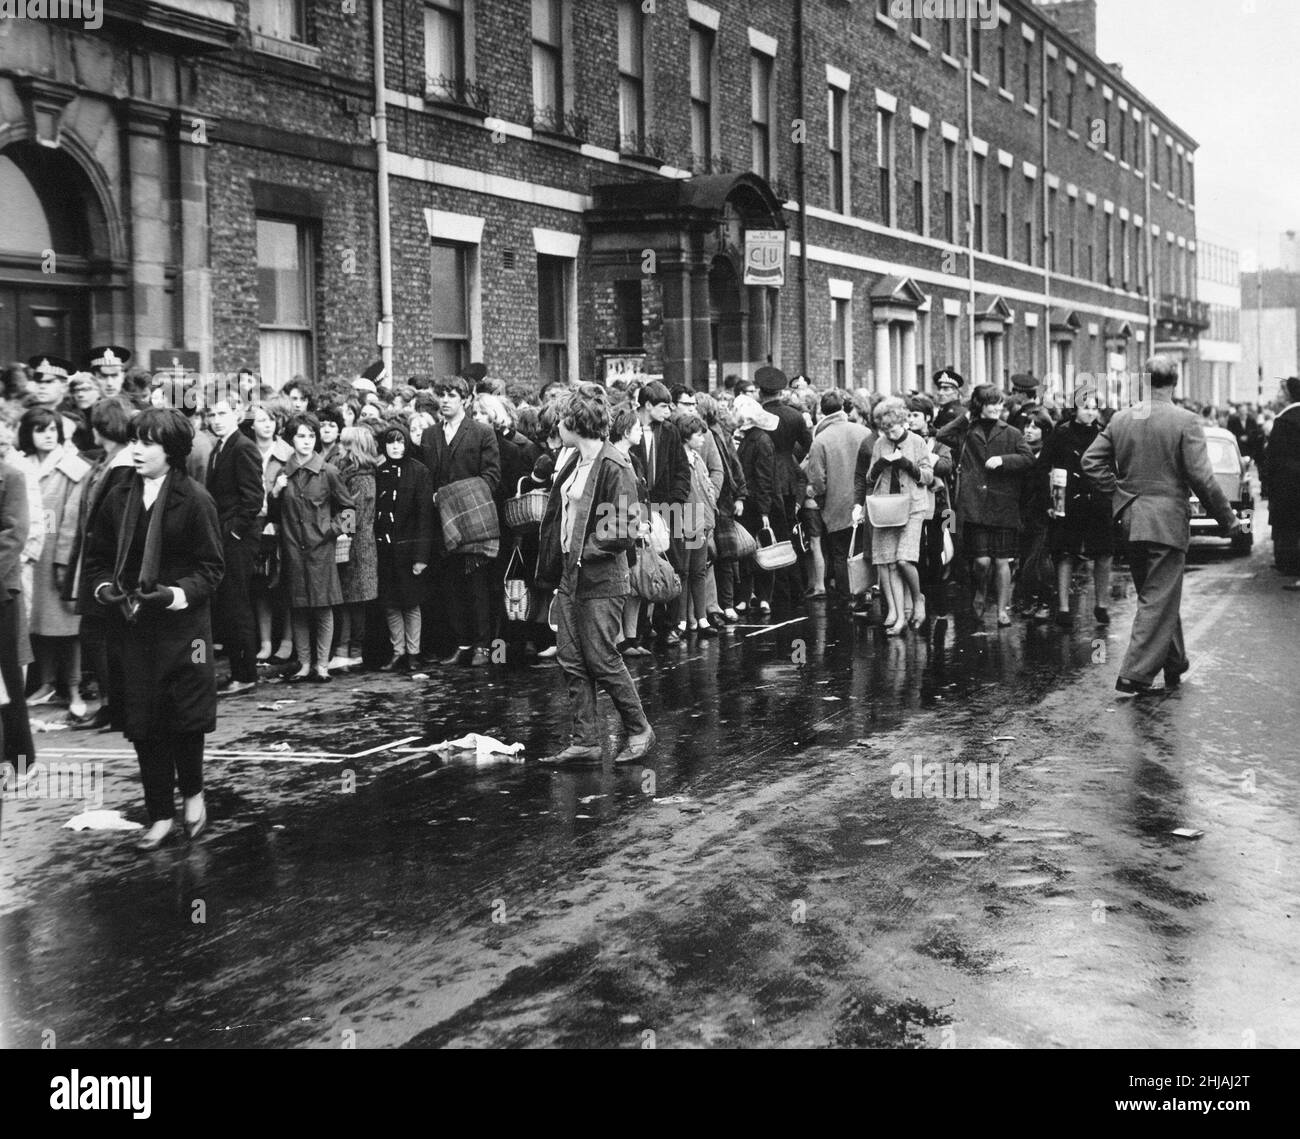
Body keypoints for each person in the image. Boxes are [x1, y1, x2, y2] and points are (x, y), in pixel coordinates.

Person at [83, 408, 224, 851]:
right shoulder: (118, 495)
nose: (137, 450)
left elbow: (211, 569)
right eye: (134, 441)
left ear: (173, 452)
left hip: (184, 632)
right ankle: (160, 814)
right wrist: (104, 586)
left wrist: (174, 593)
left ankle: (195, 796)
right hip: (132, 628)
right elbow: (98, 557)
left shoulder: (195, 499)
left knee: (184, 719)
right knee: (144, 724)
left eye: (148, 443)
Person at [1082, 355, 1241, 694]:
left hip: (1131, 520)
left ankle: (1175, 660)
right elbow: (1202, 478)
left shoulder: (1122, 418)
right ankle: (1135, 674)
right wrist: (1228, 521)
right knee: (1157, 597)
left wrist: (1119, 495)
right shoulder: (1186, 421)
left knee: (1156, 594)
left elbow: (1090, 461)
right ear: (1175, 381)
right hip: (1167, 522)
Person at [535, 385, 653, 766]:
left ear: (574, 422)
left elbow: (626, 526)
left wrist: (586, 551)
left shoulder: (615, 465)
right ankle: (585, 740)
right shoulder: (572, 460)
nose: (556, 426)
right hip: (571, 575)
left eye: (560, 420)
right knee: (570, 659)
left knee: (602, 658)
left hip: (601, 578)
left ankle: (639, 729)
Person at [65, 397, 136, 731]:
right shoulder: (109, 461)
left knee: (100, 635)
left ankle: (115, 706)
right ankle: (112, 704)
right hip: (96, 562)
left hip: (107, 565)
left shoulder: (121, 465)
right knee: (98, 635)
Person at [420, 375, 501, 666]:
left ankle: (485, 646)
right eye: (441, 395)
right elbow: (425, 477)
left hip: (473, 521)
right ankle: (462, 643)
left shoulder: (481, 433)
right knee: (450, 584)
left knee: (477, 586)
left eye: (452, 395)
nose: (444, 400)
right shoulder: (429, 435)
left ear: (465, 400)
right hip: (441, 523)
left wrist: (456, 497)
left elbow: (491, 477)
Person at [938, 384, 1034, 627]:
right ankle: (981, 589)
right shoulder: (967, 431)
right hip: (974, 506)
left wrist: (1003, 460)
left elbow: (1027, 458)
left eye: (1000, 404)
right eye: (991, 403)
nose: (997, 408)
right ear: (980, 405)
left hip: (1003, 503)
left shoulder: (1011, 432)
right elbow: (942, 435)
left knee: (1002, 561)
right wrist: (966, 416)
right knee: (981, 562)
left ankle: (1002, 609)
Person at [270, 412, 356, 682]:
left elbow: (350, 509)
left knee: (323, 605)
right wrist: (275, 492)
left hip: (321, 549)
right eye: (300, 436)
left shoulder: (329, 471)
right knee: (298, 606)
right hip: (293, 549)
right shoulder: (284, 471)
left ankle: (322, 664)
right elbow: (273, 515)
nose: (306, 441)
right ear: (292, 439)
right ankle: (304, 663)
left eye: (311, 436)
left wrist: (332, 532)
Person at [18, 407, 90, 718]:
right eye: (39, 429)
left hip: (58, 554)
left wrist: (64, 559)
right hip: (28, 554)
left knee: (65, 624)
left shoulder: (73, 467)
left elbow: (72, 521)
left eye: (52, 429)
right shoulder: (20, 465)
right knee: (37, 623)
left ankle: (72, 687)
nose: (47, 435)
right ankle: (45, 684)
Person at [854, 396, 933, 635]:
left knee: (903, 560)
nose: (890, 433)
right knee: (888, 565)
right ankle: (898, 616)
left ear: (903, 421)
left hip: (913, 506)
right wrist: (880, 466)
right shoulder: (879, 443)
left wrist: (908, 464)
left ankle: (918, 598)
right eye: (885, 429)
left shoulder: (917, 441)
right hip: (885, 507)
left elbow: (928, 476)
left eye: (894, 428)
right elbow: (868, 478)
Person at [205, 384, 265, 696]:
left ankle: (245, 674)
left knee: (237, 604)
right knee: (229, 605)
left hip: (237, 538)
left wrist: (233, 533)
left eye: (222, 413)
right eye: (211, 414)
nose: (216, 419)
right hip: (224, 534)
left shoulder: (243, 447)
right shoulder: (220, 447)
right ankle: (239, 671)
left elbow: (253, 499)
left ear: (237, 414)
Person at [1043, 396, 1113, 627]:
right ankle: (1063, 608)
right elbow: (1044, 466)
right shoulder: (1060, 434)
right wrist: (1049, 501)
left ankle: (1102, 605)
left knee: (1103, 552)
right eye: (1085, 408)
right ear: (1074, 410)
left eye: (1094, 409)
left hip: (1098, 500)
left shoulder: (1104, 434)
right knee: (1065, 553)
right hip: (1067, 500)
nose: (1090, 413)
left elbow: (1113, 466)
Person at [374, 423, 434, 671]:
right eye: (391, 442)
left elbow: (425, 516)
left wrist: (421, 556)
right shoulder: (380, 471)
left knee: (410, 603)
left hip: (409, 550)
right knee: (390, 603)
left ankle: (414, 652)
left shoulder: (419, 471)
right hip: (385, 549)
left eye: (400, 441)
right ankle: (398, 651)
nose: (396, 446)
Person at [805, 388, 870, 608]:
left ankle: (848, 597)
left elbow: (817, 480)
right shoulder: (863, 432)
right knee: (863, 550)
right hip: (865, 503)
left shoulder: (820, 440)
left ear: (822, 411)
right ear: (843, 407)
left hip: (836, 505)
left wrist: (822, 501)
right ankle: (866, 592)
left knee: (841, 554)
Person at [756, 366, 811, 606]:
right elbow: (809, 446)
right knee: (790, 533)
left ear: (761, 392)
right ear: (781, 391)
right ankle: (795, 587)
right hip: (789, 477)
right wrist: (794, 461)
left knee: (769, 538)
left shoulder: (757, 416)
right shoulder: (794, 416)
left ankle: (776, 591)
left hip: (765, 479)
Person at [249, 399, 295, 662]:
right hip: (255, 524)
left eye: (270, 420)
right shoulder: (247, 450)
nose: (266, 425)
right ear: (252, 425)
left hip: (280, 524)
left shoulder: (287, 452)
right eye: (261, 420)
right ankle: (265, 642)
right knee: (259, 585)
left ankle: (287, 640)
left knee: (282, 583)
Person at [332, 426, 380, 668]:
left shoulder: (361, 477)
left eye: (344, 443)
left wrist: (341, 531)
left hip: (357, 546)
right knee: (352, 600)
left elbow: (353, 512)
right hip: (358, 544)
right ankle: (349, 649)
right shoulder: (358, 474)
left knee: (353, 601)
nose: (340, 447)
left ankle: (350, 650)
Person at [0, 430, 31, 767]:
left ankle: (22, 757)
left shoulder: (12, 476)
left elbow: (14, 534)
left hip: (2, 592)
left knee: (8, 678)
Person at [906, 394, 953, 619]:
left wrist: (930, 459)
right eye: (908, 415)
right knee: (917, 551)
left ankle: (938, 598)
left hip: (939, 506)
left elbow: (947, 465)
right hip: (913, 504)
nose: (910, 419)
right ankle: (921, 596)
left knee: (936, 550)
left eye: (915, 415)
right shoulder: (904, 440)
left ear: (927, 417)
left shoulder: (939, 441)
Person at [734, 394, 777, 616]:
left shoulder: (758, 440)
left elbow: (763, 478)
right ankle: (758, 597)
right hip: (755, 504)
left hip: (755, 505)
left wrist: (764, 511)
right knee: (755, 551)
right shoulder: (757, 438)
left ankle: (758, 597)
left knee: (758, 551)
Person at [1264, 377, 1300, 582]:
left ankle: (1291, 565)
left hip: (1288, 487)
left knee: (1289, 530)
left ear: (1288, 395)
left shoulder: (1283, 421)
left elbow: (1273, 460)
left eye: (1281, 392)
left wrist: (1269, 488)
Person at [932, 368, 966, 433]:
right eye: (939, 389)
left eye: (946, 389)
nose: (940, 393)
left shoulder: (960, 414)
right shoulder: (942, 411)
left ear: (956, 392)